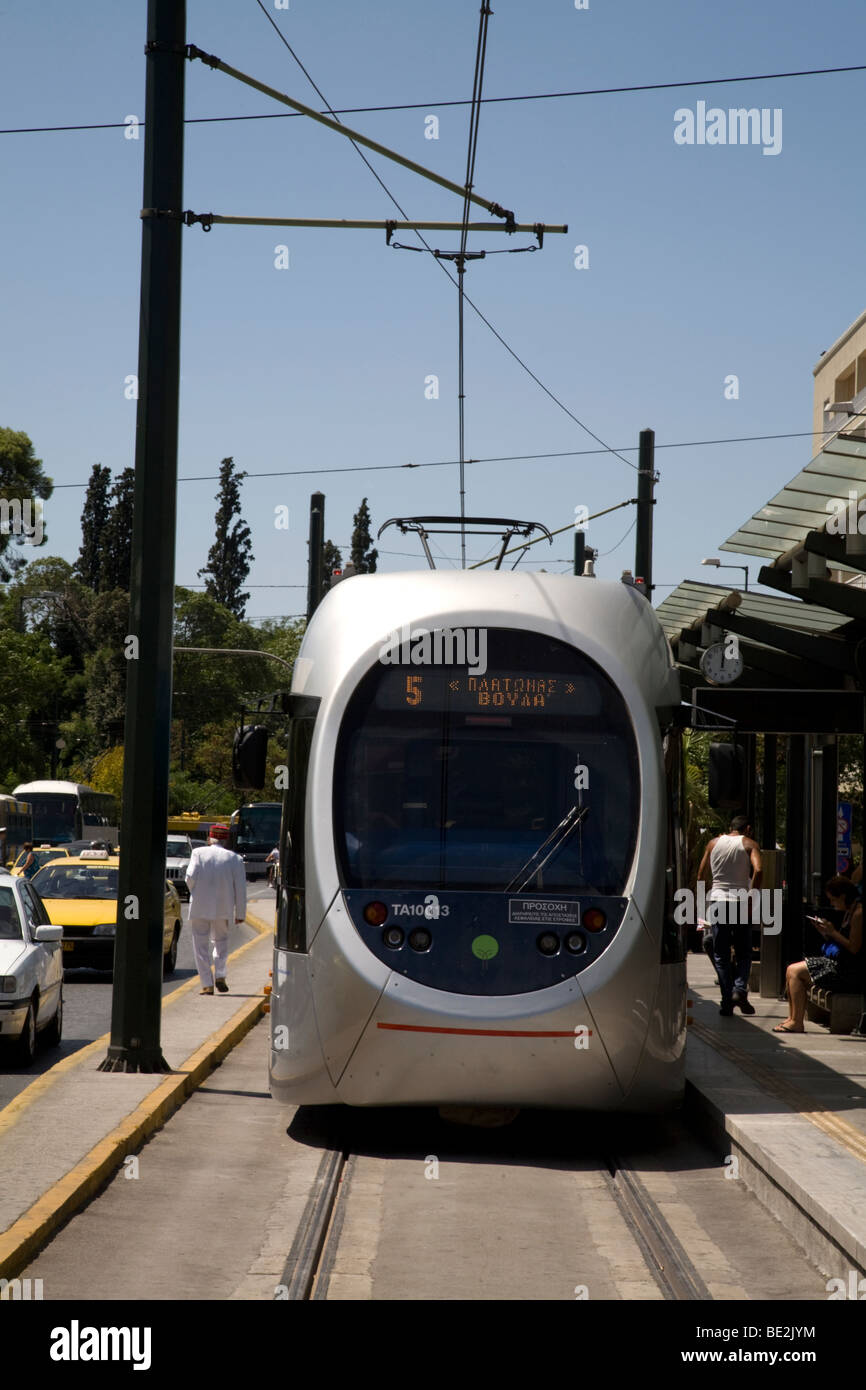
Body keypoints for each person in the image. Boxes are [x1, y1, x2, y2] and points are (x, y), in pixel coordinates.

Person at [774, 876, 863, 1034]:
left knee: (795, 971)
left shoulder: (858, 913)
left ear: (843, 896)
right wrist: (825, 933)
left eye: (833, 900)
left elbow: (854, 947)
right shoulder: (850, 911)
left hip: (848, 971)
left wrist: (833, 932)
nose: (831, 904)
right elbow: (843, 942)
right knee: (790, 970)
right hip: (838, 963)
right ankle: (792, 1018)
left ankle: (796, 1021)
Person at [697, 815, 762, 1017]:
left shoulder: (713, 843)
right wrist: (752, 895)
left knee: (721, 954)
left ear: (730, 827)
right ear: (748, 828)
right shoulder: (749, 844)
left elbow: (701, 875)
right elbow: (759, 869)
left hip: (717, 901)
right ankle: (739, 989)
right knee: (744, 952)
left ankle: (727, 1000)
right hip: (740, 902)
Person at [185, 824, 247, 995]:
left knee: (200, 945)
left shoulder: (198, 853)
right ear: (225, 839)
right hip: (223, 907)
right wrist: (240, 913)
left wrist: (196, 893)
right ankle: (220, 974)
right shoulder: (235, 859)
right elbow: (240, 889)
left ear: (209, 838)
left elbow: (190, 877)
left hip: (199, 906)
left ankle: (207, 984)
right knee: (221, 942)